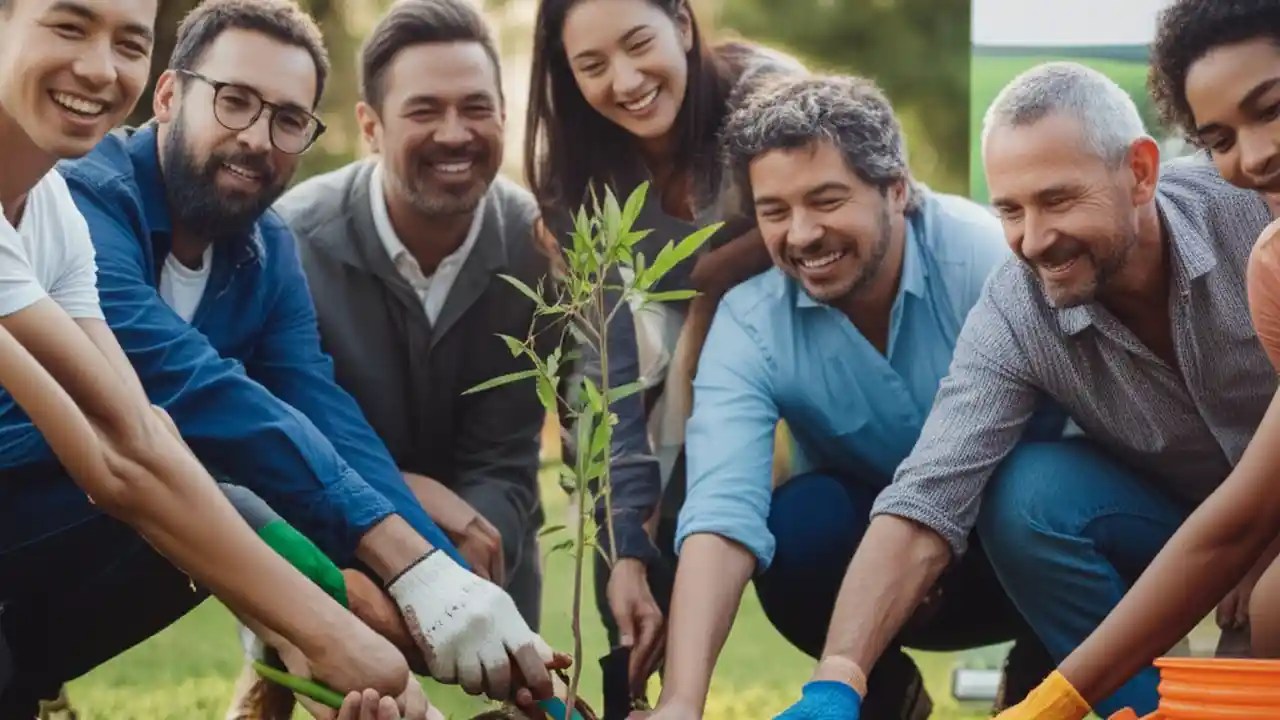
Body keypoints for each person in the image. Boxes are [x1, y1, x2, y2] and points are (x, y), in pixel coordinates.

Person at [54, 0, 562, 707]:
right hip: (33, 524)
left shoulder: (265, 253)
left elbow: (324, 414)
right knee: (224, 492)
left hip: (95, 567)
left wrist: (454, 585)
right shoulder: (80, 205)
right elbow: (192, 386)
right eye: (234, 102)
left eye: (289, 119)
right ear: (168, 95)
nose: (258, 139)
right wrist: (397, 577)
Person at [768, 61, 1276, 720]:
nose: (1033, 240)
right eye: (1010, 209)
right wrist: (837, 679)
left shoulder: (1249, 213)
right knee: (1029, 495)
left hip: (1268, 527)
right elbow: (928, 494)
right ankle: (1144, 711)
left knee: (1272, 614)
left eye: (1058, 199)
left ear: (1140, 173)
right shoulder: (1017, 308)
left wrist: (1265, 541)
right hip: (1175, 529)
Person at [0, 0, 432, 717]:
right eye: (69, 26)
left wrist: (330, 623)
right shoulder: (94, 201)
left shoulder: (49, 214)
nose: (99, 69)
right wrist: (329, 629)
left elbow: (132, 440)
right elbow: (127, 464)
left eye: (129, 42)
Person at [641, 74, 1058, 720]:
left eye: (827, 200)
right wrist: (681, 703)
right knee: (797, 529)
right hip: (875, 576)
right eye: (774, 212)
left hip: (1030, 551)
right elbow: (722, 513)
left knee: (1044, 489)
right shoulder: (752, 323)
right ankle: (885, 697)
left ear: (896, 189)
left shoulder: (987, 260)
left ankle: (1044, 666)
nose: (801, 235)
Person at [997, 3, 1280, 717]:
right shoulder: (1276, 265)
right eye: (1218, 137)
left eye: (1272, 108)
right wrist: (1051, 703)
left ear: (1141, 176)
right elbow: (1242, 516)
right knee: (1270, 614)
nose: (1252, 158)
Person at [524, 0, 804, 694]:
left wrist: (713, 277)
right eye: (592, 65)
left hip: (800, 354)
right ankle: (629, 696)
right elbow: (608, 361)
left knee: (800, 532)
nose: (624, 81)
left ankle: (880, 687)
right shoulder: (576, 170)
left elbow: (840, 217)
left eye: (637, 43)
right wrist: (624, 541)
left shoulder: (770, 102)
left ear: (682, 24)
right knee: (625, 538)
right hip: (667, 369)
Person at [277, 0, 552, 628]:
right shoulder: (291, 242)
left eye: (476, 108)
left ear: (504, 117)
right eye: (424, 110)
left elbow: (504, 457)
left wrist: (456, 574)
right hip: (335, 542)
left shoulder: (537, 249)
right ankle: (274, 666)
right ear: (371, 127)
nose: (454, 133)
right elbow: (282, 437)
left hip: (485, 543)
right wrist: (409, 498)